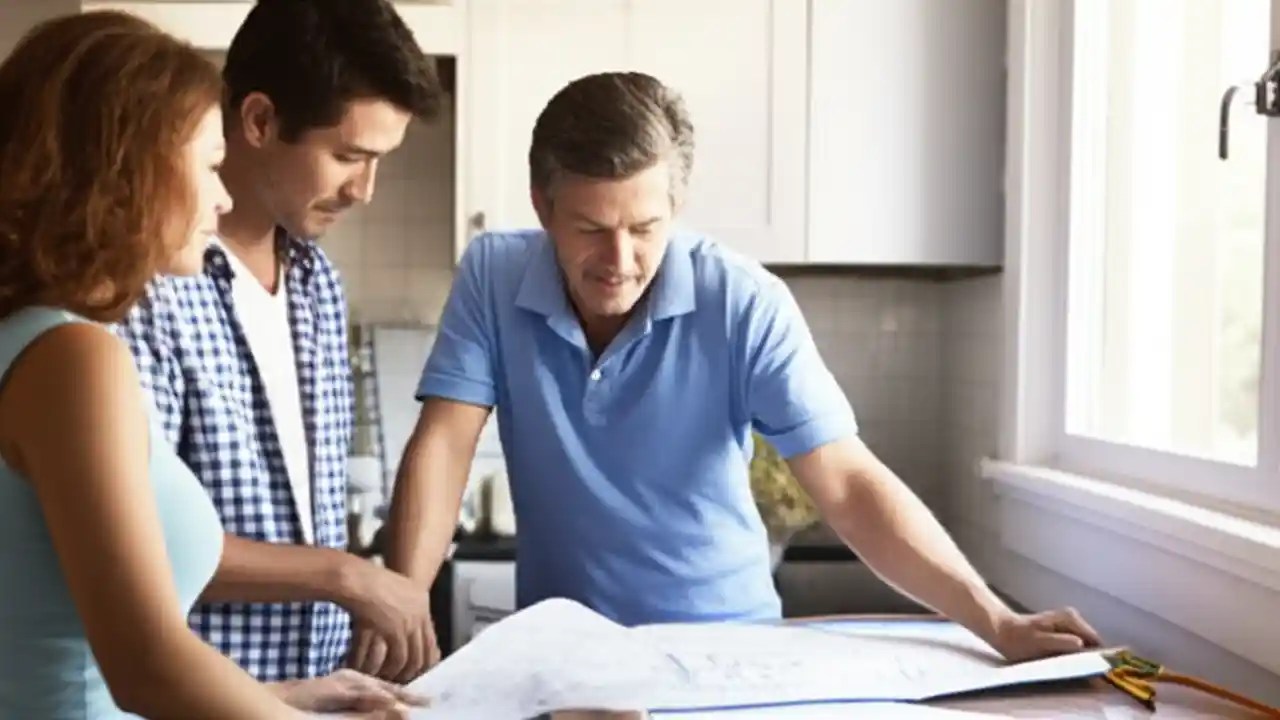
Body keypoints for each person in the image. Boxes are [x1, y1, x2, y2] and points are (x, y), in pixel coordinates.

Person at [385, 71, 1104, 663]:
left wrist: (995, 621)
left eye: (644, 228)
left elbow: (848, 484)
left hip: (727, 651)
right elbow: (445, 443)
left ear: (677, 205)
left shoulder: (742, 300)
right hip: (564, 655)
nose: (621, 261)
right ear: (543, 205)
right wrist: (407, 592)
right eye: (591, 229)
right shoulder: (492, 273)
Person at [0, 11, 425, 719]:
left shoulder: (41, 339)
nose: (221, 195)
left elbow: (81, 662)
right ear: (125, 174)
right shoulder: (75, 357)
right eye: (207, 165)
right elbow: (145, 668)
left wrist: (289, 699)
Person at [114, 0, 444, 685]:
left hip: (313, 692)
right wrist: (347, 577)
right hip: (199, 695)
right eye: (348, 155)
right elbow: (136, 539)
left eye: (380, 160)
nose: (366, 190)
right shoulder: (143, 287)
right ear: (259, 121)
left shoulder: (318, 283)